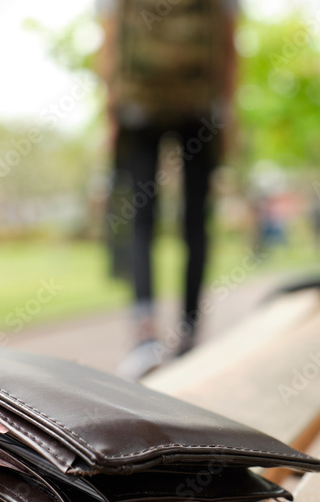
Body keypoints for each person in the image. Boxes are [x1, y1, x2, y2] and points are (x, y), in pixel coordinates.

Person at [99, 0, 238, 380]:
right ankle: (190, 333)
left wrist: (110, 109)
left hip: (138, 106)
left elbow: (110, 42)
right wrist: (227, 111)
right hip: (199, 107)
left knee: (141, 221)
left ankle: (144, 336)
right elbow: (229, 45)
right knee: (195, 222)